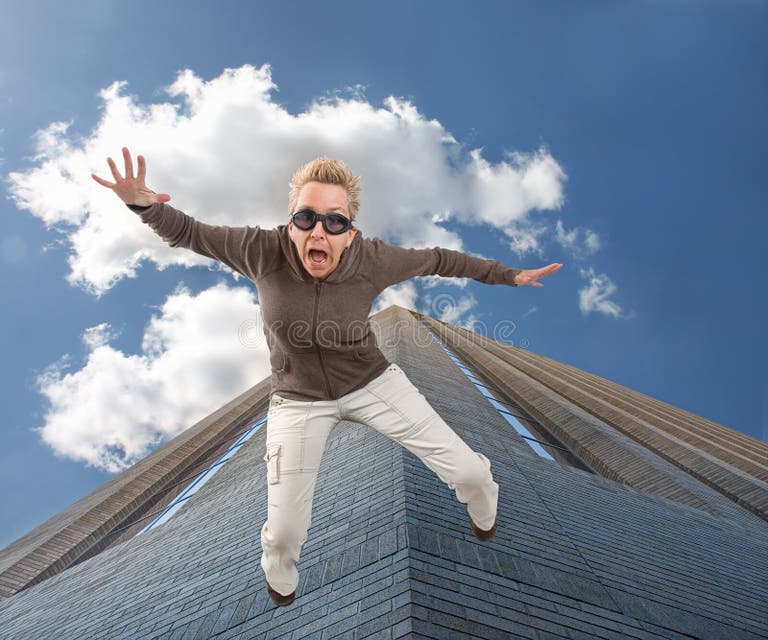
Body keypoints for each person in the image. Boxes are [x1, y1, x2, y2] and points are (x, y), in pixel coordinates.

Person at [92, 148, 563, 607]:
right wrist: (144, 205)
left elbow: (440, 258)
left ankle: (484, 514)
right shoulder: (261, 249)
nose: (319, 231)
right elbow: (192, 232)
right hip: (298, 400)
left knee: (472, 474)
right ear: (290, 221)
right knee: (285, 534)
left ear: (350, 232)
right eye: (306, 218)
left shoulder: (375, 259)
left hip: (373, 383)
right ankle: (280, 578)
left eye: (334, 221)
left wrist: (508, 276)